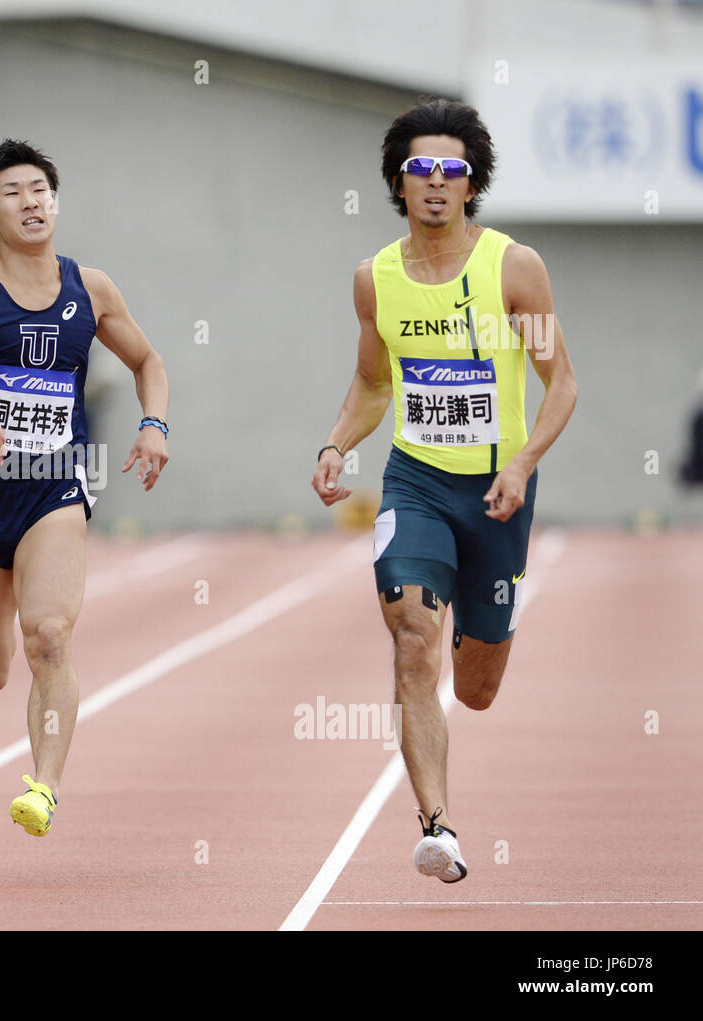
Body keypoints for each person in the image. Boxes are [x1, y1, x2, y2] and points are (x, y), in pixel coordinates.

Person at [311, 100, 577, 881]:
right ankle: (437, 826)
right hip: (416, 483)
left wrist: (522, 462)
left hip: (497, 491)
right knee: (410, 639)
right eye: (420, 169)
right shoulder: (376, 279)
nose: (435, 182)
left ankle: (479, 630)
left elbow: (560, 382)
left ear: (471, 185)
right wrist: (336, 443)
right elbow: (371, 381)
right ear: (399, 182)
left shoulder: (512, 268)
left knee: (480, 685)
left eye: (451, 170)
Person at [0, 139, 170, 836]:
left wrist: (154, 424)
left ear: (56, 202)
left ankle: (43, 787)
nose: (32, 201)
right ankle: (5, 590)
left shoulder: (93, 287)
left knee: (49, 635)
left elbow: (147, 359)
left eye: (41, 189)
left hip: (53, 481)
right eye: (14, 193)